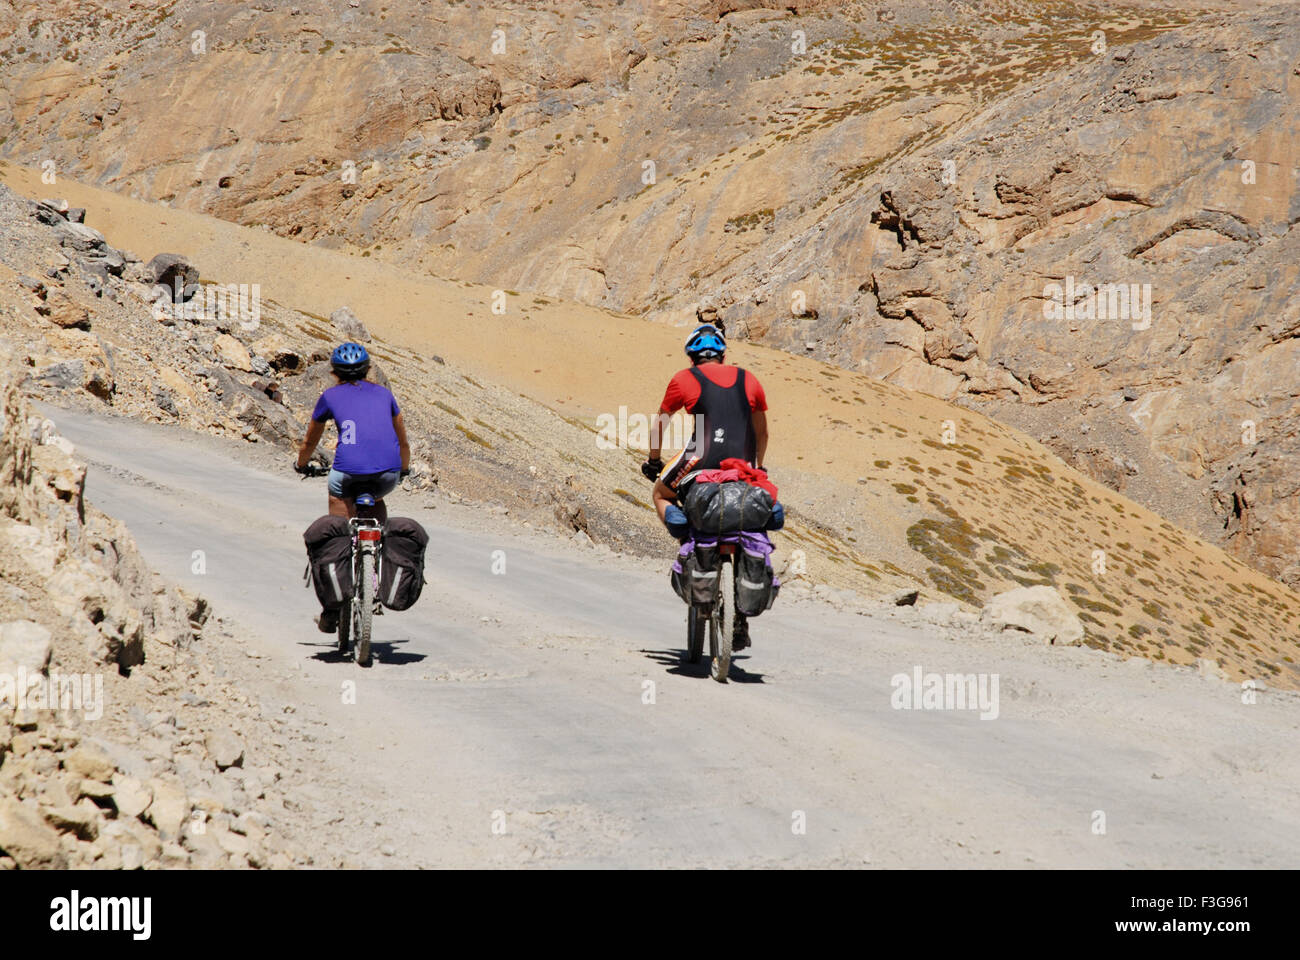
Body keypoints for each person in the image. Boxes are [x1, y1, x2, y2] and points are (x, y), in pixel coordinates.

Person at [642, 323, 770, 649]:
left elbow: (660, 423)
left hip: (699, 460)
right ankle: (739, 607)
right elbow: (762, 434)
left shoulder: (685, 379)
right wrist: (757, 467)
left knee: (659, 493)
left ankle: (689, 540)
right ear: (724, 355)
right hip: (741, 467)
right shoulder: (748, 379)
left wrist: (653, 460)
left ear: (691, 357)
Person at [296, 343, 410, 630]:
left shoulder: (329, 396)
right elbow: (403, 440)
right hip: (387, 474)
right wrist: (404, 469)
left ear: (333, 372)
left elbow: (311, 440)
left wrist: (301, 463)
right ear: (368, 368)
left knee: (338, 526)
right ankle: (377, 558)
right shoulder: (385, 394)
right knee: (376, 500)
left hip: (346, 473)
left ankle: (333, 605)